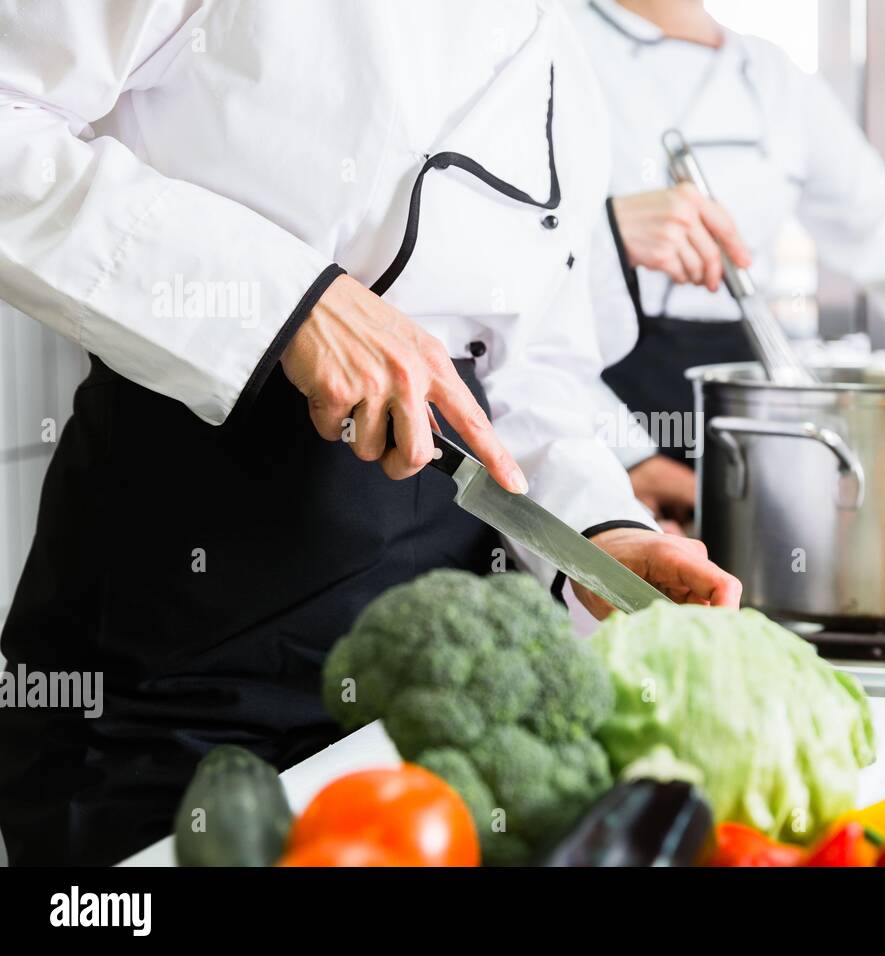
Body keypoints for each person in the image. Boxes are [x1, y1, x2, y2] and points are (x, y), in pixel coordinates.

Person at [0, 0, 739, 866]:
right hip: (182, 643)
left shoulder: (555, 57)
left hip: (432, 688)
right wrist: (288, 299)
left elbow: (531, 367)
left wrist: (603, 537)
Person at [574, 0, 885, 522]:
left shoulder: (771, 75)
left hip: (740, 402)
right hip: (592, 404)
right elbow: (509, 319)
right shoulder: (555, 42)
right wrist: (627, 458)